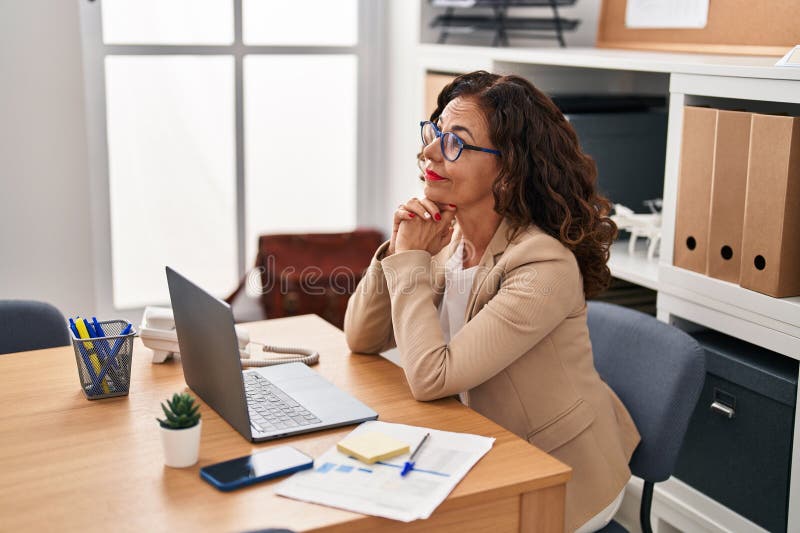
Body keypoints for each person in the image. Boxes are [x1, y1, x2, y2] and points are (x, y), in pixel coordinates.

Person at [343, 71, 640, 532]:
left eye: (456, 142)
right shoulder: (450, 233)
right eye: (435, 132)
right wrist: (398, 250)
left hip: (557, 475)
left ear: (510, 167)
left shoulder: (542, 263)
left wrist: (411, 261)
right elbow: (361, 337)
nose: (429, 152)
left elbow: (430, 377)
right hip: (474, 439)